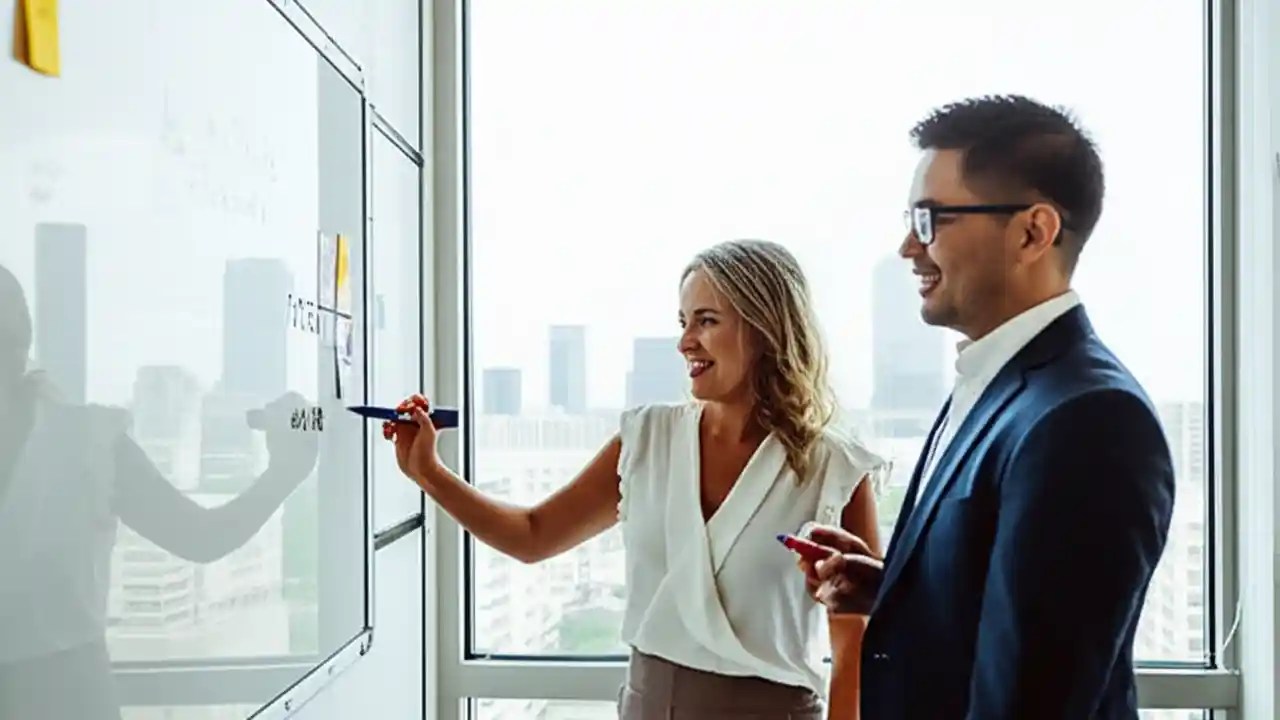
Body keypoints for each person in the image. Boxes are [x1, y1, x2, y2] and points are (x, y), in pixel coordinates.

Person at [387, 239, 888, 720]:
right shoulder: (647, 438)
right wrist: (429, 473)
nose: (684, 341)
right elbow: (532, 535)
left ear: (764, 329)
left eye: (706, 321)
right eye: (683, 321)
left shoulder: (834, 469)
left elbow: (856, 649)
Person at [800, 95, 1176, 719]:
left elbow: (1032, 700)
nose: (907, 248)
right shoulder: (996, 383)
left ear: (1033, 231)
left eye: (930, 220)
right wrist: (893, 588)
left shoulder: (1089, 420)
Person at [0, 264, 320, 720]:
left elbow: (200, 537)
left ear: (16, 344)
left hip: (67, 702)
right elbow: (201, 537)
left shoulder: (87, 443)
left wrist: (285, 473)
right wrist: (286, 472)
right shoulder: (85, 443)